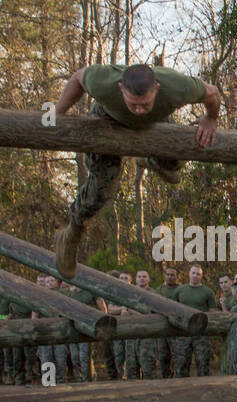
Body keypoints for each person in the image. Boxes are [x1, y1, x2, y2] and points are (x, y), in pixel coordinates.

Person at [52, 62, 222, 278]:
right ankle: (71, 233)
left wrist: (211, 118)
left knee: (179, 160)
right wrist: (57, 114)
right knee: (103, 189)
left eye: (145, 104)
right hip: (107, 120)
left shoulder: (177, 85)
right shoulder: (102, 81)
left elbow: (213, 93)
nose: (139, 110)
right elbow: (77, 77)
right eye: (133, 105)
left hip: (155, 124)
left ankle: (149, 159)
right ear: (121, 88)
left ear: (157, 90)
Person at [171, 264, 220, 377]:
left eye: (198, 274)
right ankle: (181, 388)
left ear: (201, 276)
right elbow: (173, 309)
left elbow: (213, 311)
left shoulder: (208, 292)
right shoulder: (180, 290)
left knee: (202, 363)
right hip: (183, 333)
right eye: (193, 273)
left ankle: (203, 388)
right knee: (181, 364)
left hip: (201, 333)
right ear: (189, 274)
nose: (195, 276)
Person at [61, 279, 106, 382]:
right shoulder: (70, 292)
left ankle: (88, 379)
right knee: (75, 357)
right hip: (73, 328)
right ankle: (79, 379)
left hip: (87, 328)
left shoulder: (91, 291)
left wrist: (100, 327)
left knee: (85, 356)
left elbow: (102, 308)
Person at [123, 269, 161, 380]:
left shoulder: (153, 294)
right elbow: (124, 312)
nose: (142, 279)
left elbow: (151, 314)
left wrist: (131, 311)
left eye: (144, 276)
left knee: (148, 368)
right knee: (131, 369)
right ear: (135, 279)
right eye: (139, 276)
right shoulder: (130, 292)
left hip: (147, 335)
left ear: (148, 279)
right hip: (131, 334)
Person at [104, 270, 134, 380]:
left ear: (131, 281)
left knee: (131, 357)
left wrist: (127, 310)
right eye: (121, 278)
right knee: (118, 355)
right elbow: (110, 309)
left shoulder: (134, 293)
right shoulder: (114, 293)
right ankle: (120, 378)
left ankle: (132, 378)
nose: (123, 280)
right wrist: (122, 308)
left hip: (132, 329)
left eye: (126, 278)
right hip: (117, 329)